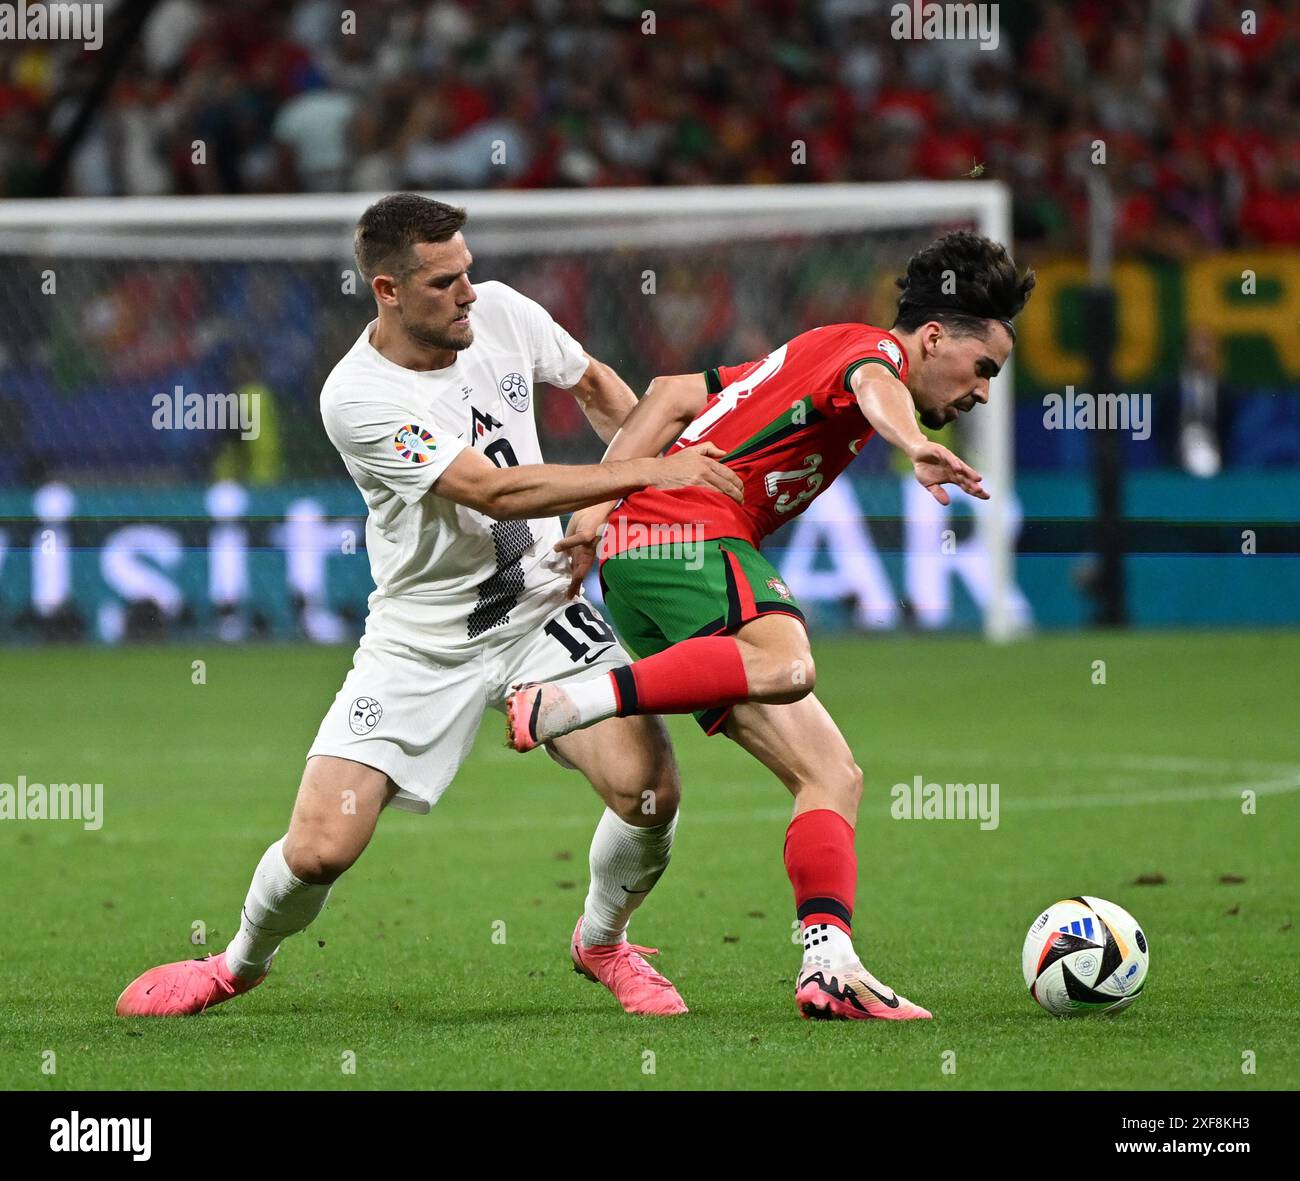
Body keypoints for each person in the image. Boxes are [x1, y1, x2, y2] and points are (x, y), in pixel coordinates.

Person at [115, 194, 743, 1019]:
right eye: (445, 281)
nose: (470, 293)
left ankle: (601, 941)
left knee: (650, 790)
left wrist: (624, 480)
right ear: (387, 290)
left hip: (542, 613)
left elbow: (592, 382)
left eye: (469, 271)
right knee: (320, 848)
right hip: (422, 641)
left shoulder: (506, 313)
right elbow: (494, 489)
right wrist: (644, 476)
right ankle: (238, 961)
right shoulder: (357, 397)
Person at [508, 230, 1036, 1021]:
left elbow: (670, 393)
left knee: (830, 772)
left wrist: (591, 513)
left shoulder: (808, 351)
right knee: (787, 659)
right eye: (984, 368)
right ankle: (573, 701)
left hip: (644, 553)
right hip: (688, 528)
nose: (984, 392)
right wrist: (912, 442)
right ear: (933, 337)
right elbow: (875, 384)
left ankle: (829, 963)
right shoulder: (867, 354)